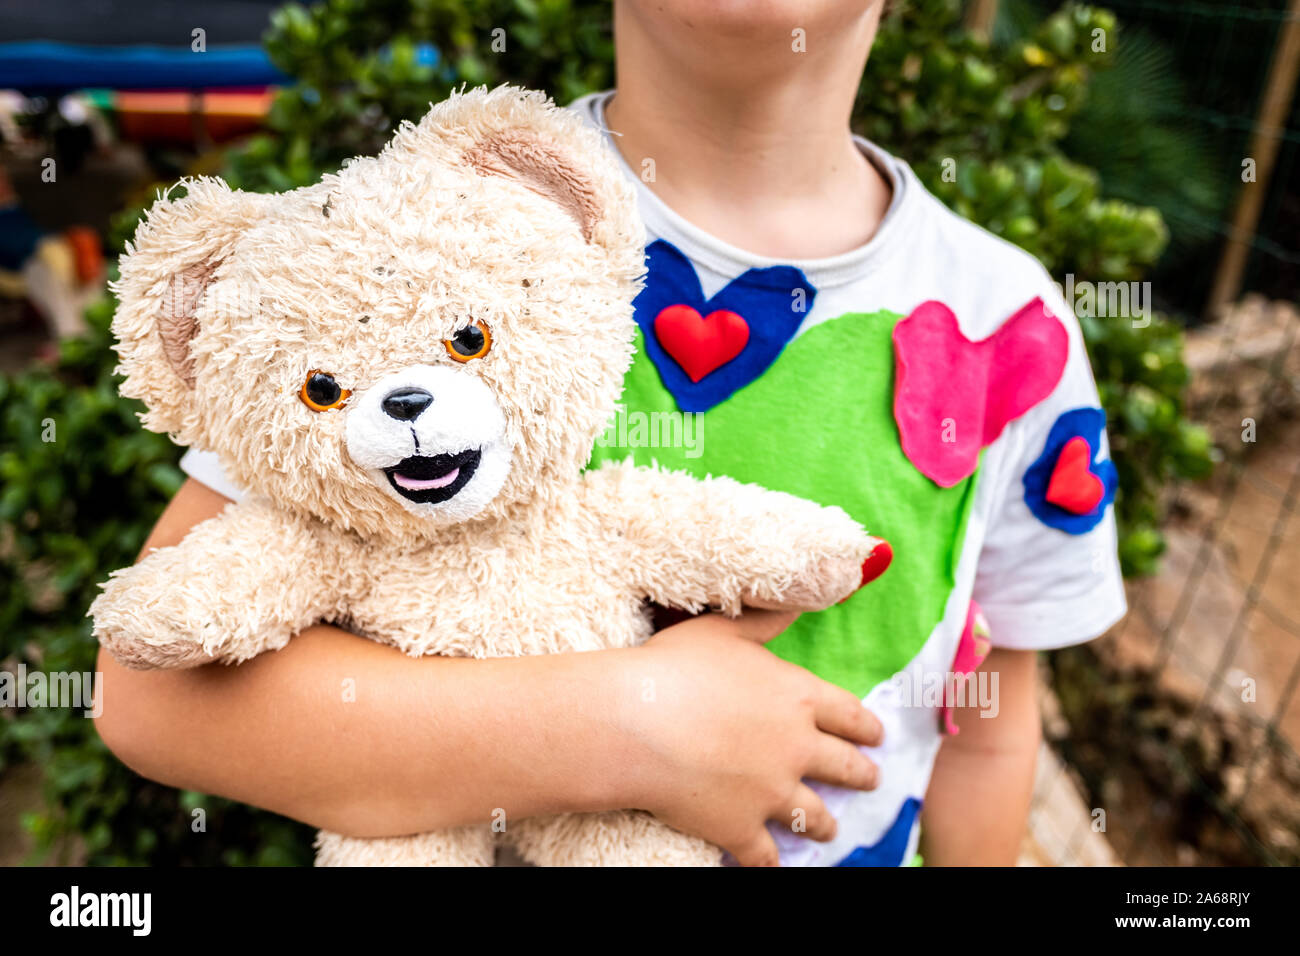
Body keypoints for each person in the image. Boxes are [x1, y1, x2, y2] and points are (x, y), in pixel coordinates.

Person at [93, 0, 1124, 866]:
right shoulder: (418, 231)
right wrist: (625, 727)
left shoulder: (1008, 327)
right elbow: (155, 698)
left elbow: (987, 724)